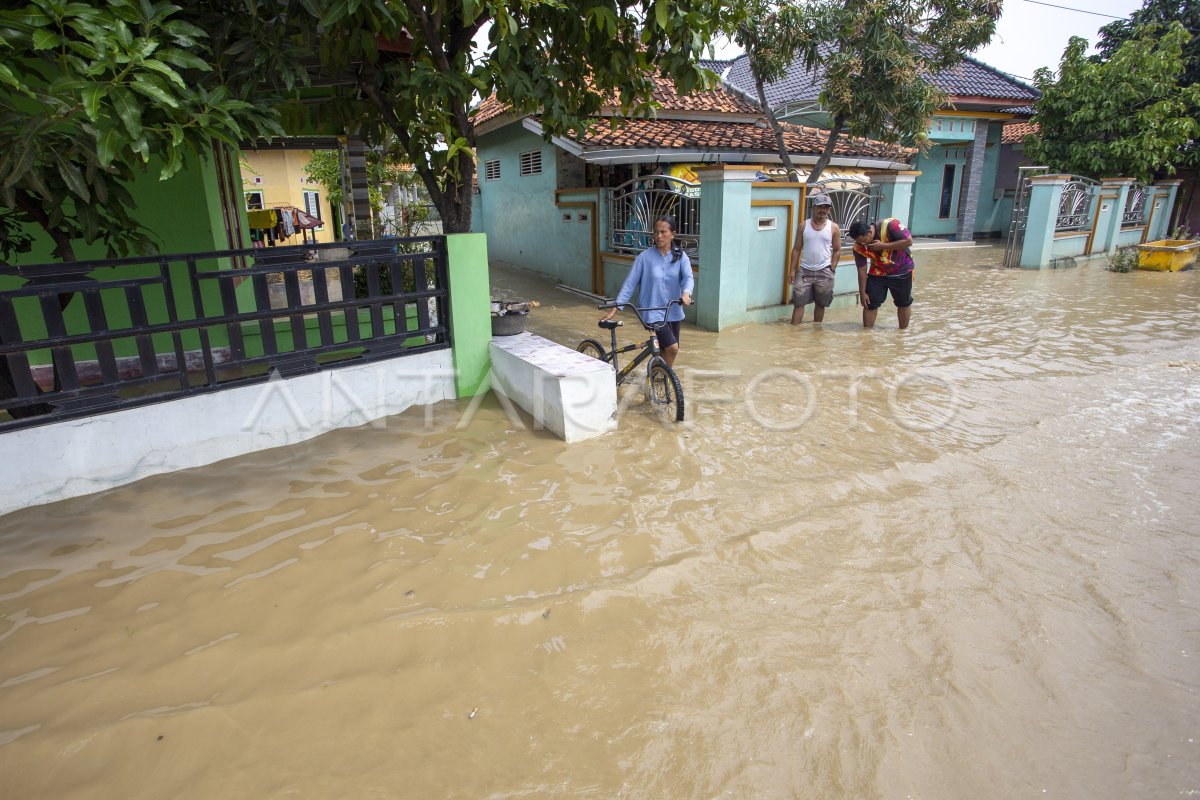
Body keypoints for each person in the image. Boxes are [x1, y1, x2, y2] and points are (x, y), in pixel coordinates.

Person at [601, 215, 694, 368]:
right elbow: (629, 285)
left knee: (666, 350)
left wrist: (686, 293)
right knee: (673, 348)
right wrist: (615, 308)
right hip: (652, 312)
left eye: (663, 232)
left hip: (673, 310)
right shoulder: (644, 258)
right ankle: (661, 381)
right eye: (656, 232)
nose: (659, 236)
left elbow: (688, 278)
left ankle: (655, 381)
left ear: (673, 234)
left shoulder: (681, 257)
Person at [848, 217, 916, 329]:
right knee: (870, 304)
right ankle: (867, 336)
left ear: (869, 232)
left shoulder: (890, 225)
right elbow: (862, 268)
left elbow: (908, 241)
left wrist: (882, 246)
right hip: (877, 274)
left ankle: (902, 336)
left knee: (904, 303)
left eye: (864, 241)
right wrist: (862, 292)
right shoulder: (858, 247)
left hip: (902, 271)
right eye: (860, 242)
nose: (863, 245)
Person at [788, 193, 841, 325]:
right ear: (813, 207)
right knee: (799, 303)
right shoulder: (803, 226)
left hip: (825, 270)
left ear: (829, 210)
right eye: (820, 207)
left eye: (826, 207)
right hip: (804, 270)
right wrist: (792, 270)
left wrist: (832, 268)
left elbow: (837, 250)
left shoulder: (833, 227)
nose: (822, 210)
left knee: (821, 303)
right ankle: (793, 336)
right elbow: (796, 249)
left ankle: (816, 334)